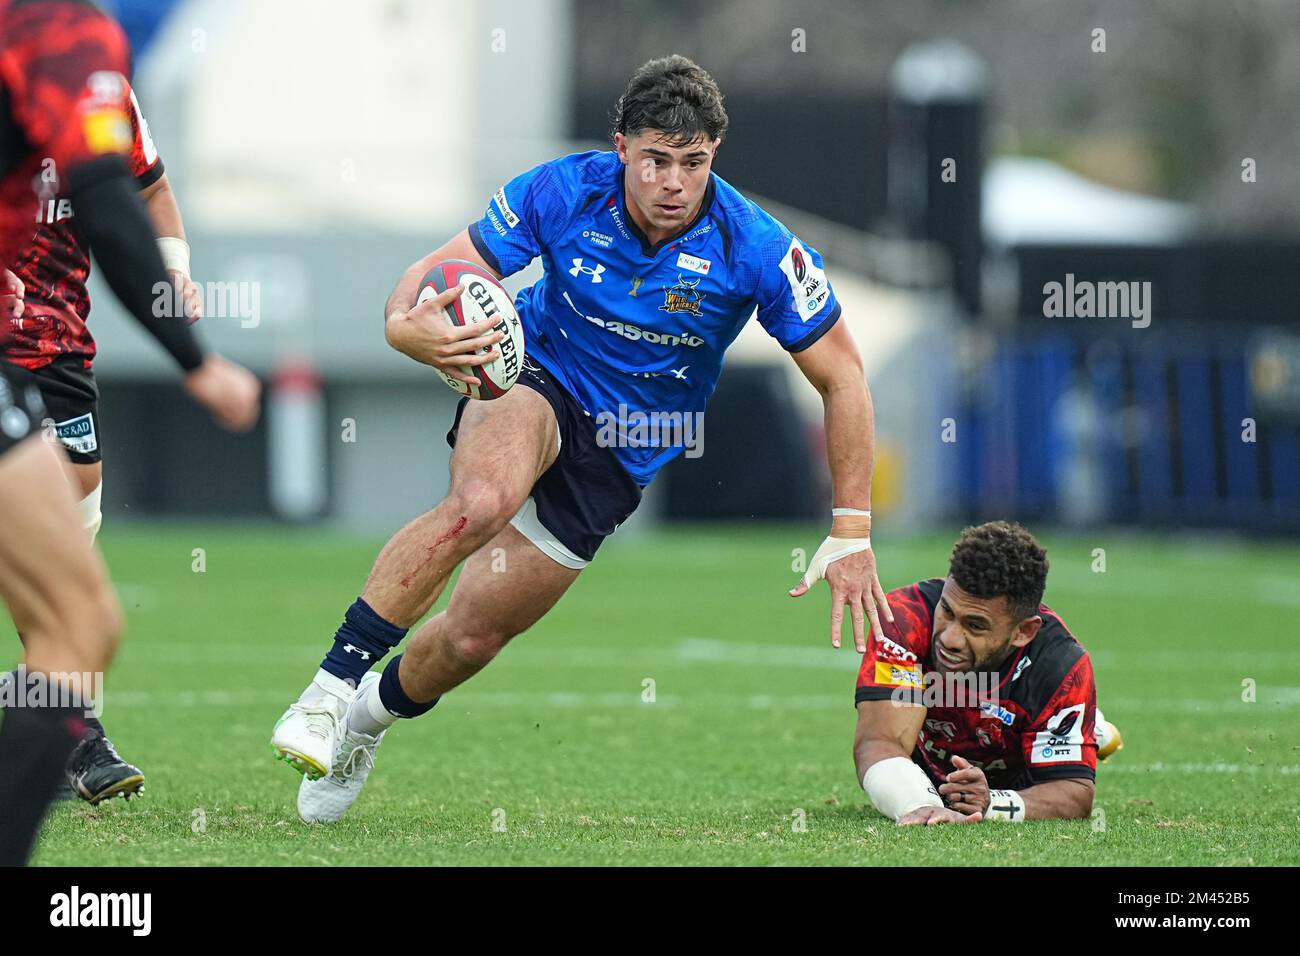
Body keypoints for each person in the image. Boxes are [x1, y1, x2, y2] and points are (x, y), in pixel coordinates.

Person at [273, 54, 892, 824]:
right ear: (622, 147)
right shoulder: (563, 189)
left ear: (714, 159)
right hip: (538, 375)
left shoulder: (757, 246)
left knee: (469, 640)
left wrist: (852, 526)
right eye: (656, 160)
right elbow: (435, 274)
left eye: (692, 163)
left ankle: (364, 722)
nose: (672, 182)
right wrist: (408, 333)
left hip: (624, 449)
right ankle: (328, 691)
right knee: (482, 501)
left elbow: (844, 377)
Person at [0, 0, 259, 864]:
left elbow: (144, 187)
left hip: (56, 348)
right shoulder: (55, 32)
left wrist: (176, 276)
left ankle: (64, 725)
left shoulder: (102, 87)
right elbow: (108, 202)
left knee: (73, 545)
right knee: (76, 604)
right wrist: (196, 358)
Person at [853, 521, 1123, 826]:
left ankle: (1083, 724)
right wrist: (921, 806)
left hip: (1013, 767)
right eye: (948, 612)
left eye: (975, 625)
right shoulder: (902, 619)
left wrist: (991, 802)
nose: (950, 639)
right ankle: (1083, 724)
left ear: (1023, 631)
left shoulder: (1060, 666)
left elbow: (1074, 792)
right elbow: (878, 742)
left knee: (1057, 710)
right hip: (930, 762)